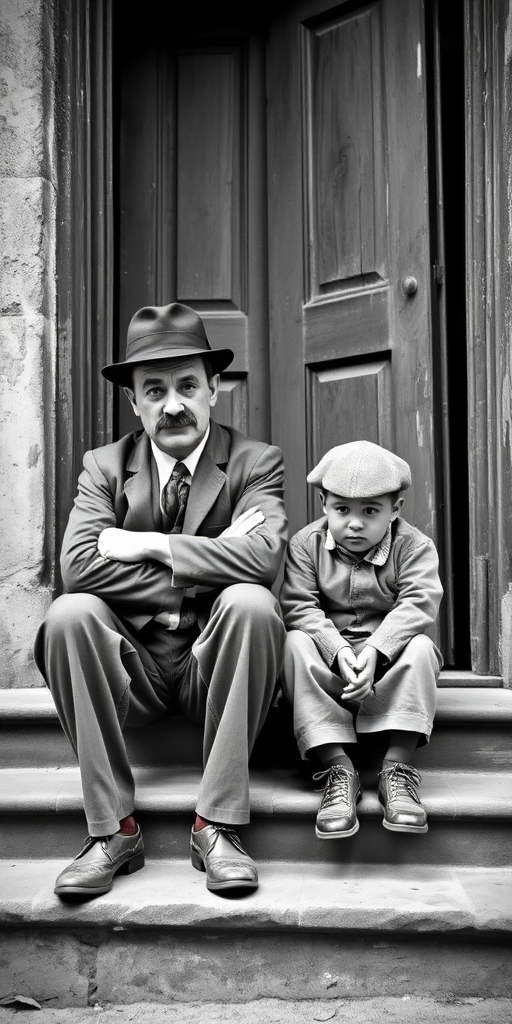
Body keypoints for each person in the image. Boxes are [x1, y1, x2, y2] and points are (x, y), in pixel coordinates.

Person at [35, 302, 287, 898]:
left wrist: (146, 543)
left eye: (186, 386)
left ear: (213, 389)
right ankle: (112, 830)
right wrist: (198, 571)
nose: (172, 404)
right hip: (134, 672)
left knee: (251, 604)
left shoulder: (255, 463)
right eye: (154, 390)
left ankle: (218, 826)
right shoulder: (103, 467)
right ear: (134, 402)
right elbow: (78, 568)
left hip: (216, 669)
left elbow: (264, 561)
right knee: (69, 615)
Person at [279, 440, 443, 840]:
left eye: (370, 511)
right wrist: (337, 652)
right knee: (294, 643)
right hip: (329, 666)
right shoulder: (305, 545)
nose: (354, 524)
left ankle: (397, 768)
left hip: (387, 665)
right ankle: (337, 766)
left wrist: (374, 650)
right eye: (341, 510)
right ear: (323, 503)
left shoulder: (413, 546)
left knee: (421, 646)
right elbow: (300, 607)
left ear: (395, 510)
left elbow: (418, 603)